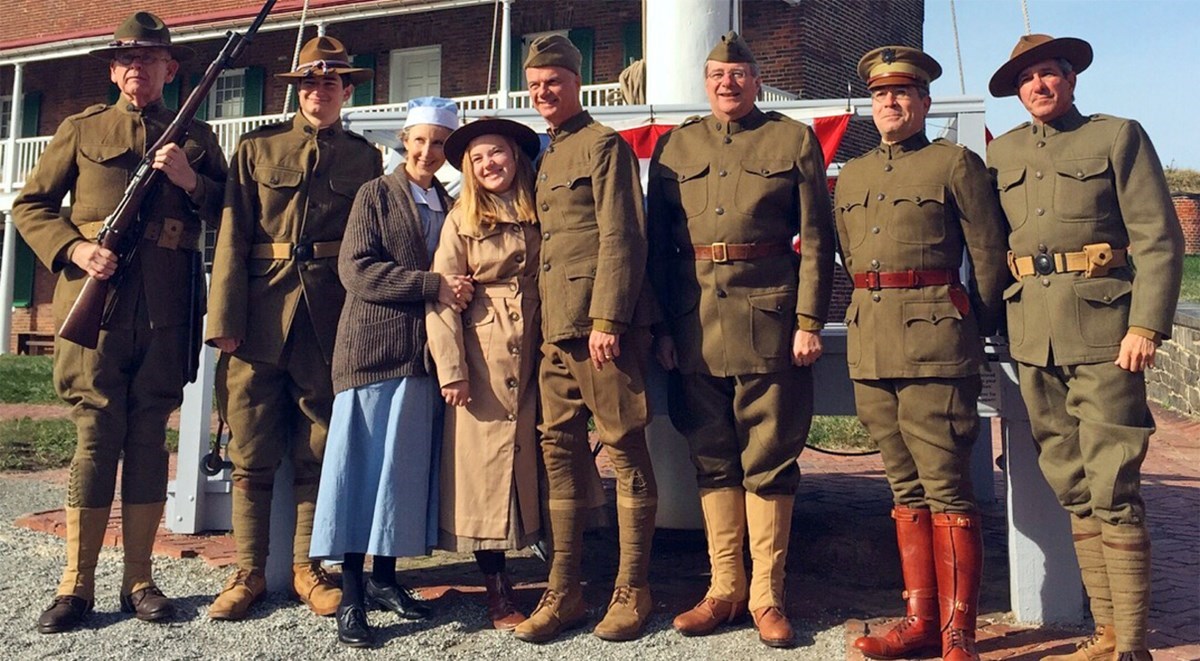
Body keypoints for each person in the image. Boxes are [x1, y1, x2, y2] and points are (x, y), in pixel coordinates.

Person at [12, 11, 226, 634]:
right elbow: (32, 205)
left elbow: (232, 208)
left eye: (150, 60)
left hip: (166, 311)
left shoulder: (199, 138)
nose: (139, 70)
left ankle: (140, 580)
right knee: (95, 435)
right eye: (127, 61)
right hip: (99, 306)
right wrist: (75, 250)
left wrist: (192, 181)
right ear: (114, 70)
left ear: (170, 69)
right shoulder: (82, 129)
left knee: (146, 435)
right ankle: (75, 585)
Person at [987, 35, 1184, 661]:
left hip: (1106, 336)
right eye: (1027, 80)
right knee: (1071, 482)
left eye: (1049, 74)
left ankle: (1132, 646)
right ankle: (1105, 634)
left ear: (1071, 81)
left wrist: (1145, 327)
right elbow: (991, 247)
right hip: (1033, 337)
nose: (1038, 87)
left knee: (1113, 483)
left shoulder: (1116, 137)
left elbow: (1158, 239)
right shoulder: (1005, 153)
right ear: (1017, 93)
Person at [646, 31, 835, 649]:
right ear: (707, 82)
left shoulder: (791, 139)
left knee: (771, 457)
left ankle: (767, 596)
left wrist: (809, 322)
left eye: (740, 73)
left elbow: (817, 240)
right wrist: (665, 329)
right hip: (697, 324)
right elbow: (659, 250)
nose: (728, 83)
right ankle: (724, 589)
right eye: (718, 73)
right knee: (711, 455)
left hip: (770, 322)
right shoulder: (677, 148)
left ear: (757, 79)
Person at [835, 46, 1009, 661]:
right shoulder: (851, 176)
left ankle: (961, 629)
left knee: (948, 488)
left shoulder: (954, 163)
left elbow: (988, 254)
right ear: (870, 105)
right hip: (872, 344)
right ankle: (920, 622)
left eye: (904, 93)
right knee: (903, 486)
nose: (892, 103)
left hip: (938, 341)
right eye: (882, 94)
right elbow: (848, 256)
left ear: (925, 102)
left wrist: (973, 324)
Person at [204, 36, 383, 621]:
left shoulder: (364, 157)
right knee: (251, 446)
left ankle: (309, 568)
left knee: (319, 444)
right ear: (297, 91)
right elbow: (231, 236)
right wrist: (224, 320)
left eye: (330, 83)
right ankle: (249, 571)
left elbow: (367, 246)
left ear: (346, 90)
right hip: (259, 314)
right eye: (309, 84)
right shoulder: (257, 148)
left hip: (328, 317)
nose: (318, 92)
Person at [514, 35, 661, 644]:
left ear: (577, 81)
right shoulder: (547, 155)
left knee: (624, 446)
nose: (544, 92)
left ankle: (634, 587)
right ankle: (565, 587)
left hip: (599, 332)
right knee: (560, 452)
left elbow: (622, 236)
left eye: (554, 81)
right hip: (554, 330)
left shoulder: (603, 145)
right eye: (536, 84)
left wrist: (609, 320)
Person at [306, 97, 465, 648]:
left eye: (439, 143)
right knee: (361, 473)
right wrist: (430, 286)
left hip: (421, 359)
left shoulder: (448, 202)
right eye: (419, 141)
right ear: (404, 140)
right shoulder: (375, 194)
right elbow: (357, 269)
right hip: (373, 352)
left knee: (400, 473)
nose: (427, 152)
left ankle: (386, 579)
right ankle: (352, 595)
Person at [426, 117, 544, 631]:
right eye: (478, 158)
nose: (489, 164)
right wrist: (451, 370)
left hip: (541, 344)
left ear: (516, 158)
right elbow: (443, 299)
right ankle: (497, 587)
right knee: (482, 473)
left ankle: (563, 578)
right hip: (484, 353)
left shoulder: (542, 209)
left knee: (546, 462)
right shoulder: (460, 219)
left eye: (496, 153)